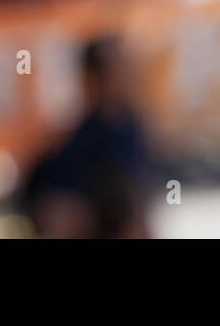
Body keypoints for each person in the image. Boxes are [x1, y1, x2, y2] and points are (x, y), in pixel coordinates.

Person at [21, 37, 152, 237]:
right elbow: (46, 201)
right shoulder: (76, 140)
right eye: (113, 72)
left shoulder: (132, 130)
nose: (122, 80)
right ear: (91, 78)